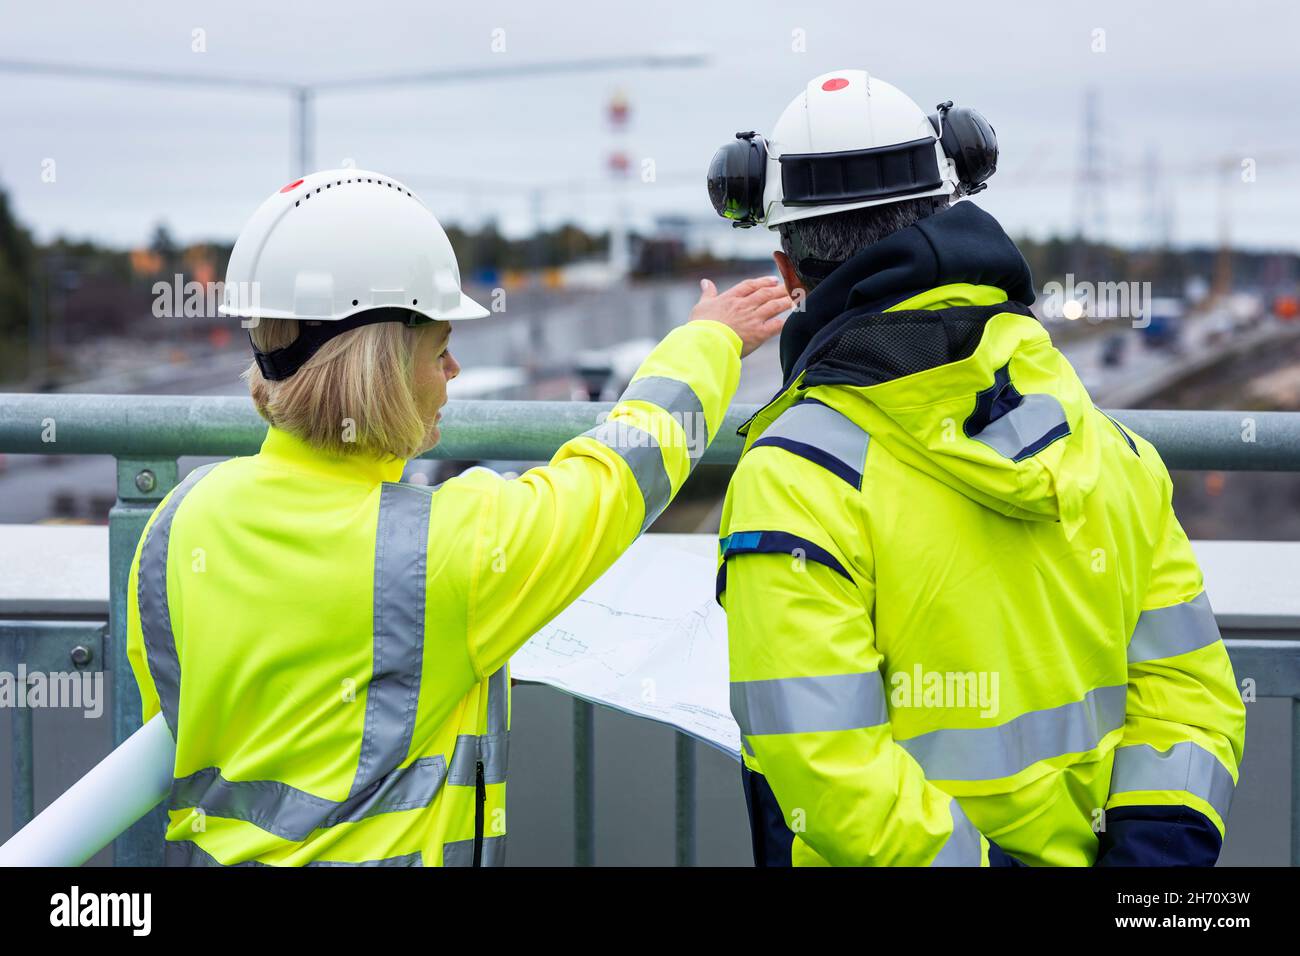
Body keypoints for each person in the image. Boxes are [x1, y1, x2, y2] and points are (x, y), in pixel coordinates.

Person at [125, 168, 790, 866]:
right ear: (379, 368)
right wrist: (708, 343)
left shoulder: (179, 522)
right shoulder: (441, 552)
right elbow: (621, 476)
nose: (455, 371)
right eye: (439, 348)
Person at [707, 71, 1245, 867]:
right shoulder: (1105, 445)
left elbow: (825, 774)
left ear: (790, 275)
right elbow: (1189, 694)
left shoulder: (793, 481)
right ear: (950, 207)